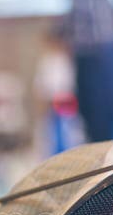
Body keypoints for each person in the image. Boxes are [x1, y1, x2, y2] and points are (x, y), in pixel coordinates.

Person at [54, 0, 113, 142]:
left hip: (93, 52)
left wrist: (61, 33)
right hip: (97, 51)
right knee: (95, 116)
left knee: (96, 117)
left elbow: (86, 8)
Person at [32, 26, 85, 157]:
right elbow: (41, 90)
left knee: (70, 141)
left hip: (66, 110)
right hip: (51, 111)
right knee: (48, 143)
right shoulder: (47, 62)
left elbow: (69, 88)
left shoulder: (67, 61)